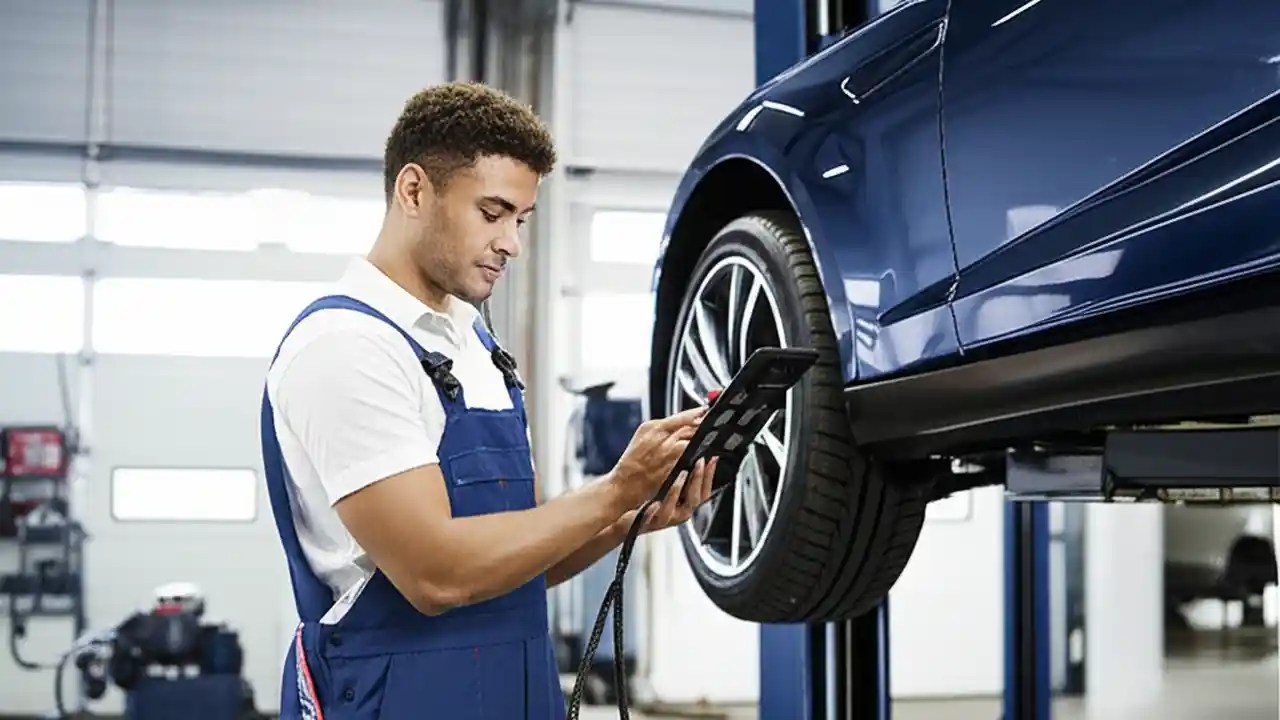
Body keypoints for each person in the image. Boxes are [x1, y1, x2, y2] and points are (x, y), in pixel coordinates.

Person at [258, 81, 717, 719]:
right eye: (493, 213)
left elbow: (511, 565)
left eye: (521, 221)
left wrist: (630, 513)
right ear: (413, 191)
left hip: (517, 691)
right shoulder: (347, 346)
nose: (513, 244)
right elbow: (436, 574)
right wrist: (613, 489)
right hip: (403, 701)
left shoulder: (472, 340)